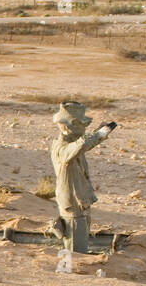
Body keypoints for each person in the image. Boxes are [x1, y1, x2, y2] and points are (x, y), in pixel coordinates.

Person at [50, 101, 117, 253]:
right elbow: (79, 146)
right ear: (71, 125)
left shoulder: (70, 143)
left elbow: (84, 145)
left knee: (81, 242)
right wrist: (97, 134)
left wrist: (99, 134)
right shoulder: (62, 148)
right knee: (75, 251)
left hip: (79, 201)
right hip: (72, 204)